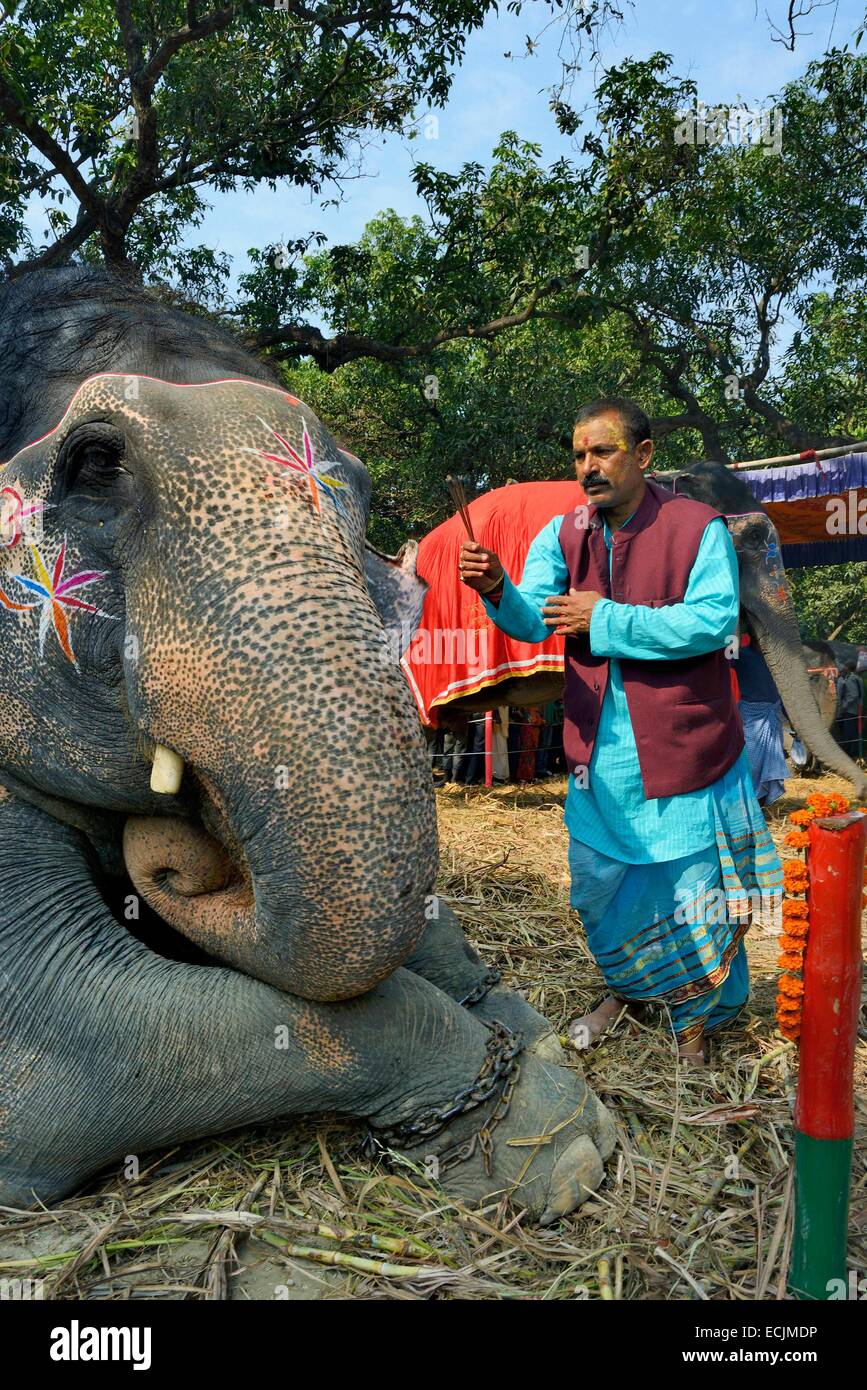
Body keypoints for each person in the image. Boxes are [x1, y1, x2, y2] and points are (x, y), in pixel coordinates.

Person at [459, 397, 783, 1066]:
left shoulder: (697, 529)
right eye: (578, 455)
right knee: (600, 888)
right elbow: (531, 621)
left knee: (689, 897)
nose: (587, 467)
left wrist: (606, 621)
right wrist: (496, 588)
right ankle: (625, 990)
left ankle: (690, 1024)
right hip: (596, 759)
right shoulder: (563, 533)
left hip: (683, 752)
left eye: (601, 452)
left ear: (642, 456)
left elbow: (711, 622)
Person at [735, 633, 788, 806]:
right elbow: (726, 656)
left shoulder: (774, 659)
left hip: (773, 714)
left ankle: (763, 804)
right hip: (752, 716)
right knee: (752, 763)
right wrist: (734, 624)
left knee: (771, 763)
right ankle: (750, 803)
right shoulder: (740, 653)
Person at [835, 660, 863, 760]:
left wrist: (844, 705)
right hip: (856, 710)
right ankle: (854, 753)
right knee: (854, 733)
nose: (843, 668)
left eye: (845, 666)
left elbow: (854, 695)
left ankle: (849, 755)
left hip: (850, 710)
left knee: (849, 734)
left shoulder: (851, 679)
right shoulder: (857, 678)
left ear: (848, 667)